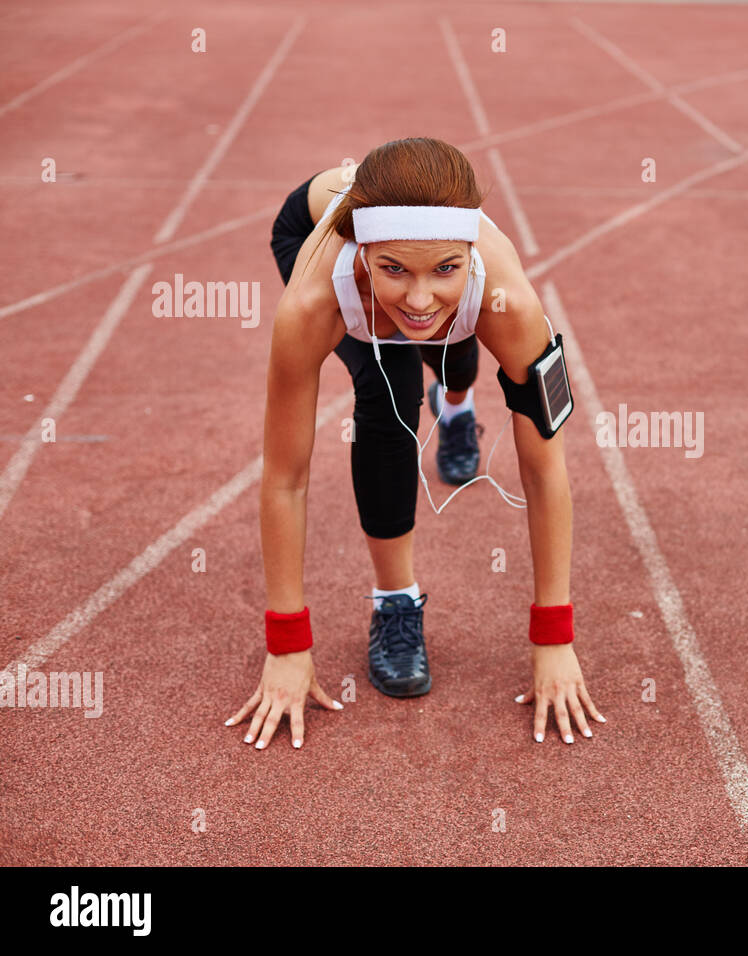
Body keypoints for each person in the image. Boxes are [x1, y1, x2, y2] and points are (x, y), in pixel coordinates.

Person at [226, 137, 604, 750]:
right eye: (394, 268)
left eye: (446, 270)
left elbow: (544, 470)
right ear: (364, 251)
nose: (421, 296)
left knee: (452, 354)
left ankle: (455, 408)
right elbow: (286, 478)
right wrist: (287, 646)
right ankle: (395, 601)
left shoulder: (511, 302)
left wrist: (554, 637)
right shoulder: (313, 302)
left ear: (470, 255)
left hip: (466, 298)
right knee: (390, 393)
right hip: (308, 229)